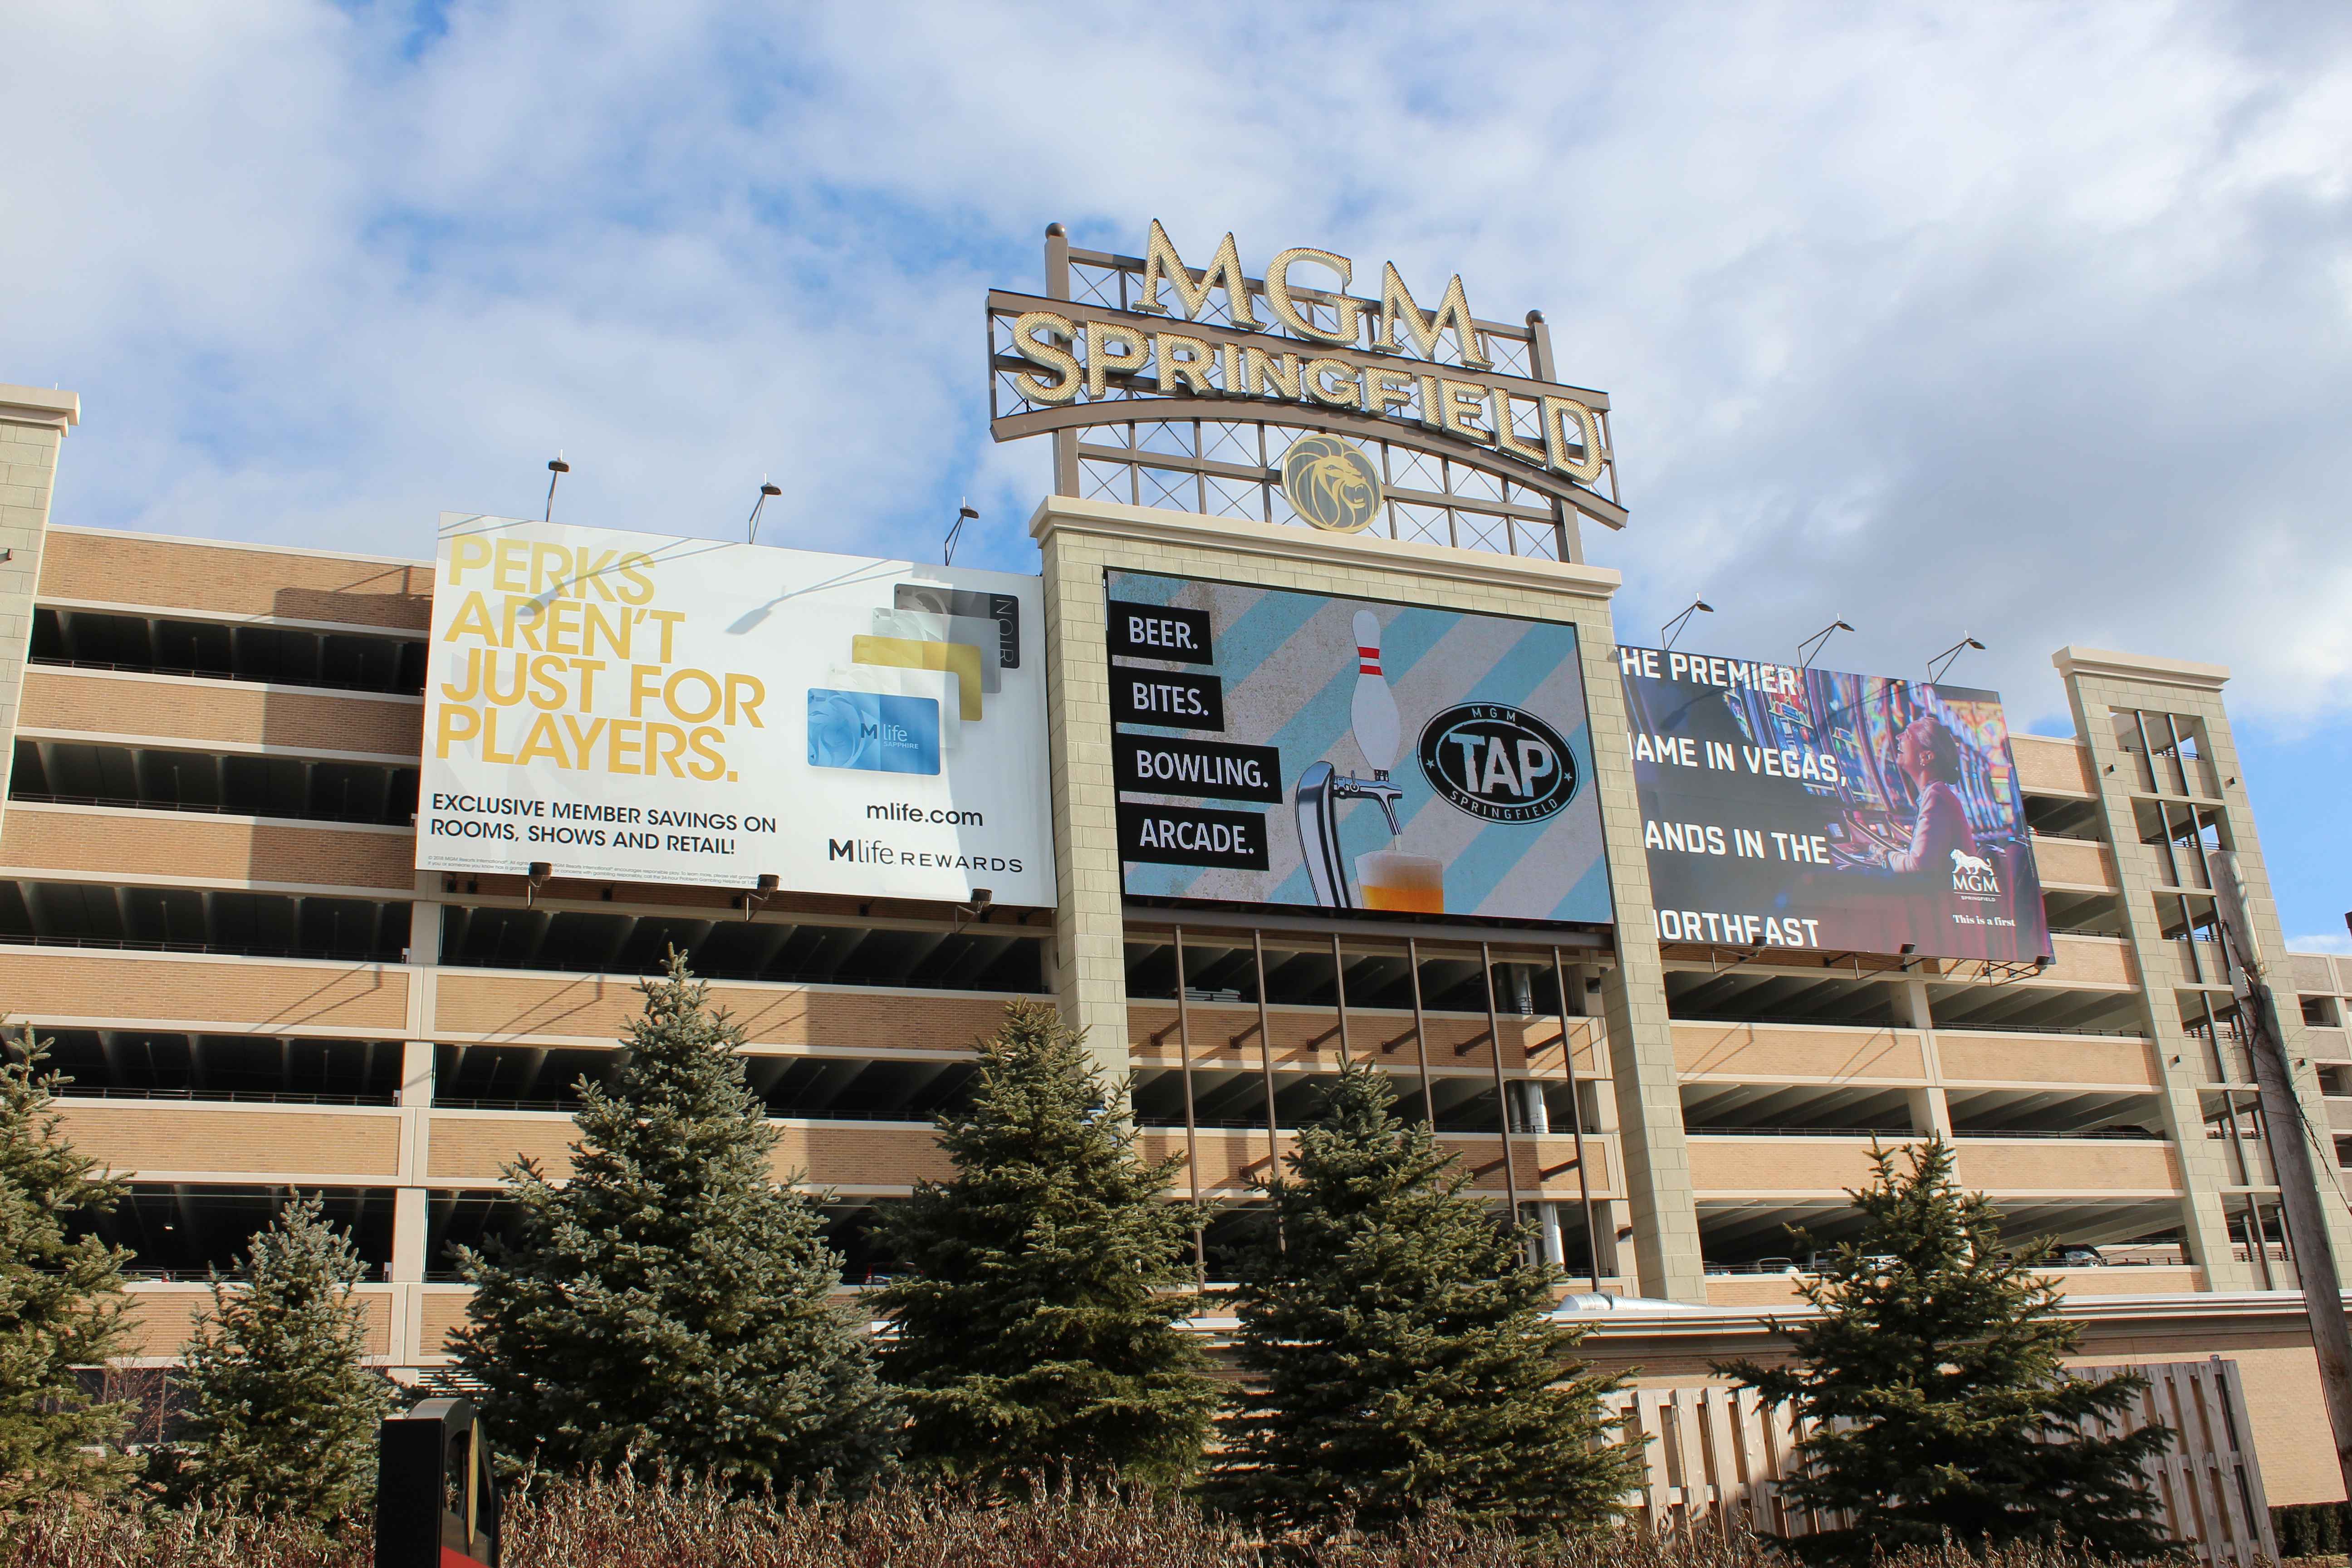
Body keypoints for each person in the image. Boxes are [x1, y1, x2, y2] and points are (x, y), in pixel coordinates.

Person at [1884, 715, 1980, 875]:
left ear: (1926, 757)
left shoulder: (1936, 795)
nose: (1898, 737)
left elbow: (1917, 867)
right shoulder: (1937, 793)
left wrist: (1883, 854)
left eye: (1907, 735)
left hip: (1946, 898)